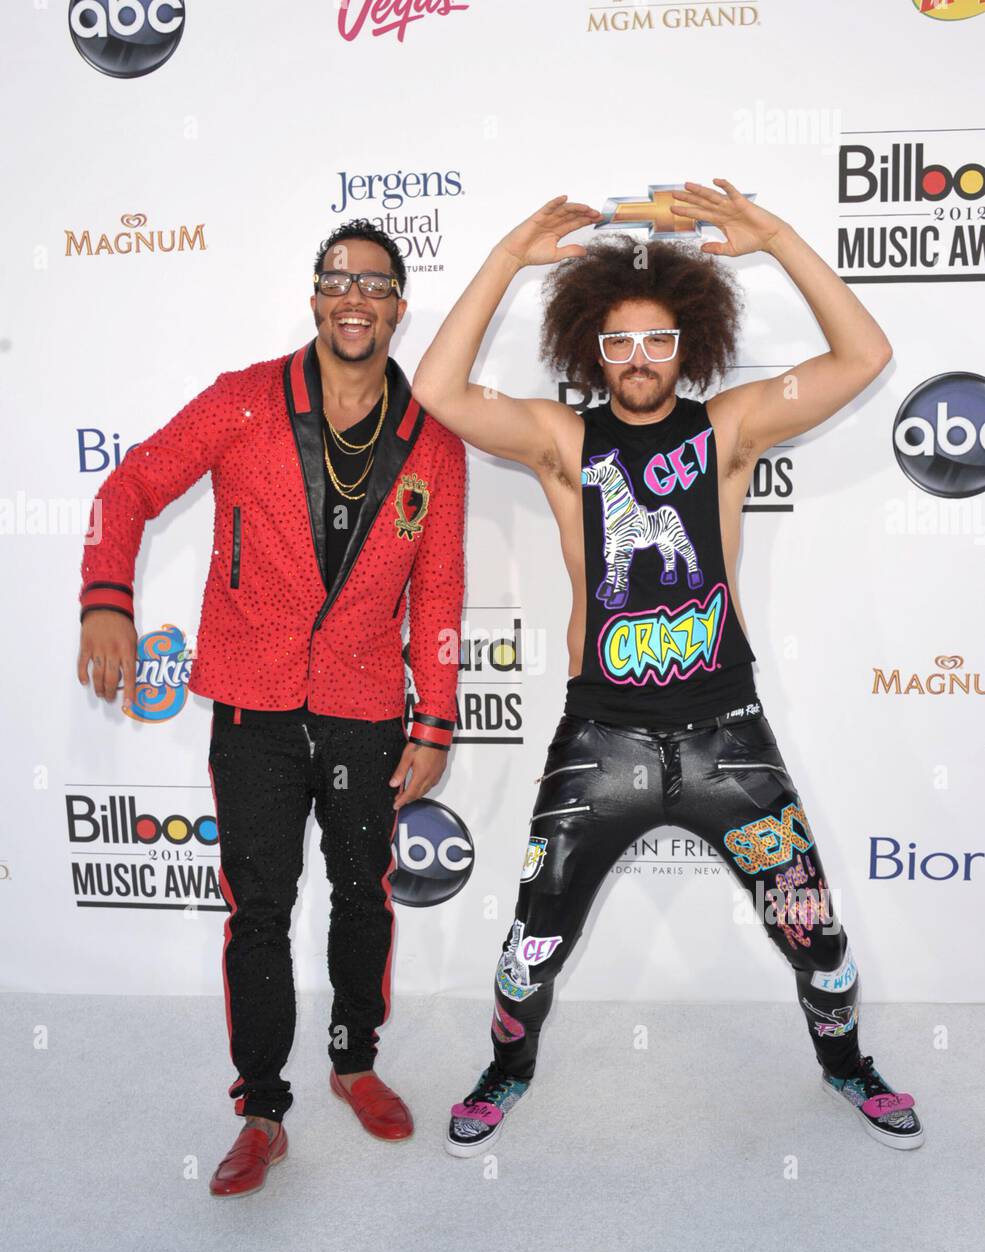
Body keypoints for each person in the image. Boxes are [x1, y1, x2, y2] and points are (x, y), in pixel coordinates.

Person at [412, 186, 923, 1157]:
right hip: (598, 739)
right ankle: (508, 1069)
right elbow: (438, 391)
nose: (638, 361)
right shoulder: (564, 444)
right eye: (617, 344)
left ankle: (846, 1064)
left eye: (656, 342)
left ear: (686, 343)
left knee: (814, 935)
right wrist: (511, 254)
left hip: (728, 734)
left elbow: (865, 358)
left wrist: (775, 236)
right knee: (532, 944)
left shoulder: (726, 432)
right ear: (586, 350)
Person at [77, 220, 466, 1196]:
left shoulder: (435, 443)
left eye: (374, 283)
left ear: (397, 307)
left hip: (367, 706)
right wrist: (107, 600)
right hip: (252, 704)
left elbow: (442, 594)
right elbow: (129, 487)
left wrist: (437, 716)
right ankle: (260, 1105)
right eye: (338, 278)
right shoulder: (243, 402)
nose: (354, 296)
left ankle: (353, 1059)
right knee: (259, 908)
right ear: (313, 295)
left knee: (360, 895)